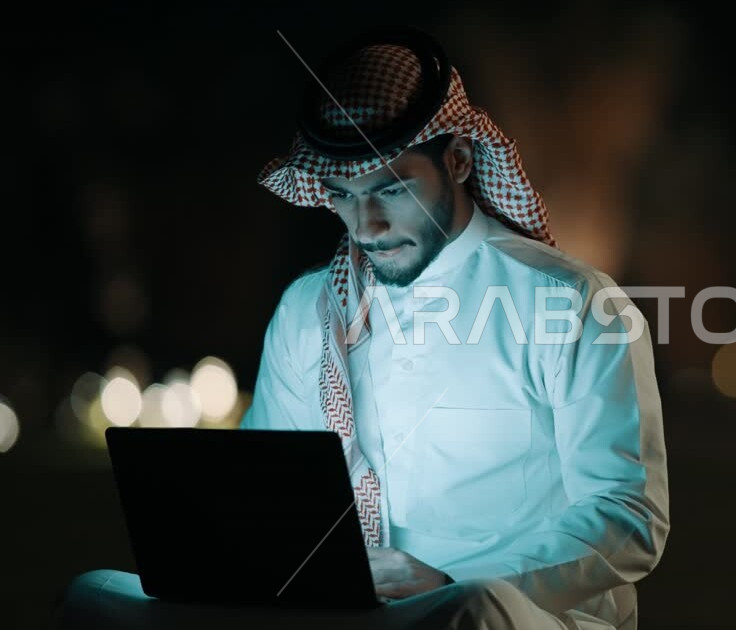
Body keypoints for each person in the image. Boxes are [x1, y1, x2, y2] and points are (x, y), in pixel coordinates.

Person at [55, 28, 668, 630]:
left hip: (515, 611)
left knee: (471, 611)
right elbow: (264, 497)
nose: (365, 225)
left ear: (457, 160)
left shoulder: (572, 303)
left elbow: (628, 515)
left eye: (391, 189)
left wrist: (449, 580)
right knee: (95, 598)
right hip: (350, 607)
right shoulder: (307, 311)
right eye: (343, 196)